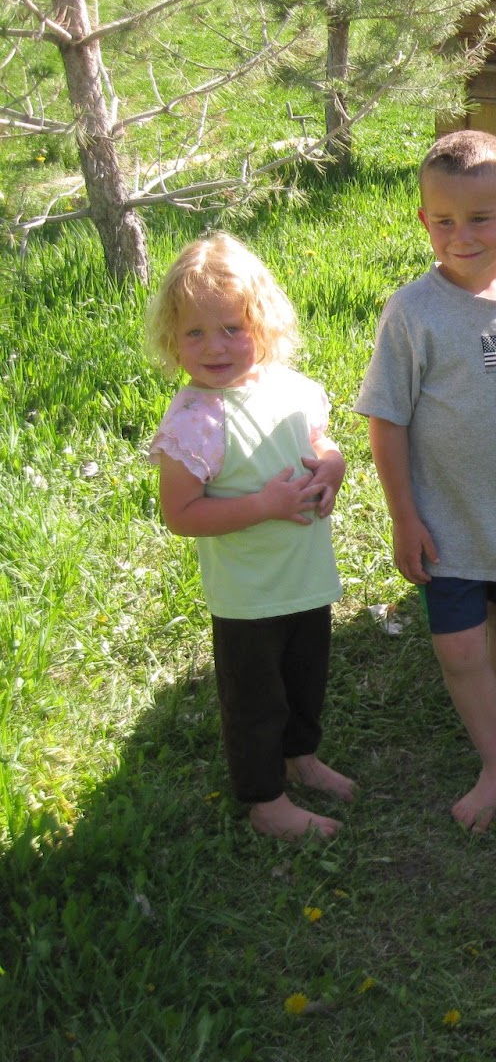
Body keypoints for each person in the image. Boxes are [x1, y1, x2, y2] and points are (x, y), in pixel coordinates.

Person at [357, 129, 496, 832]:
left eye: (480, 219)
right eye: (443, 221)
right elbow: (385, 420)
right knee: (457, 646)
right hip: (445, 519)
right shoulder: (413, 314)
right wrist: (403, 517)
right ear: (423, 222)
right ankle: (494, 760)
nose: (461, 235)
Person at [146, 233, 355, 841]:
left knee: (304, 680)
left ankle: (301, 758)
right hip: (247, 595)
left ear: (262, 325)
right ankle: (265, 802)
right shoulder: (195, 420)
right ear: (171, 339)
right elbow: (181, 513)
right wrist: (263, 505)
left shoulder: (291, 390)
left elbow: (320, 444)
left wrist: (333, 467)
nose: (215, 347)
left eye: (232, 328)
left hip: (306, 577)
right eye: (194, 333)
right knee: (255, 700)